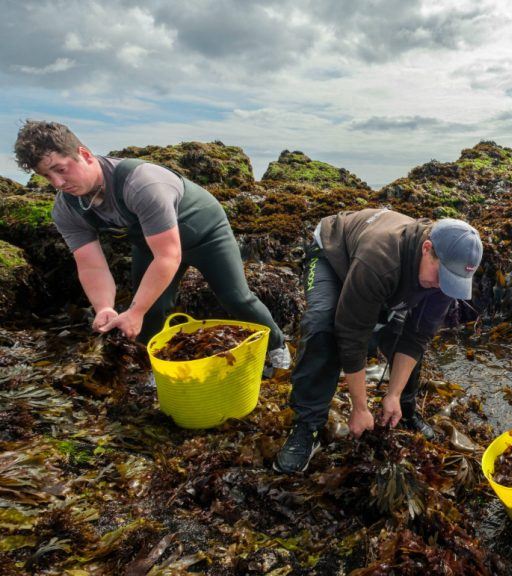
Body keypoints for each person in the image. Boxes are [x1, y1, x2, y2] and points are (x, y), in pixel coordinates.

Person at [13, 120, 290, 372]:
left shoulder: (142, 183)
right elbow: (91, 264)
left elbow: (168, 255)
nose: (58, 183)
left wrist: (134, 312)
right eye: (47, 177)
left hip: (206, 235)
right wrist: (104, 307)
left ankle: (277, 345)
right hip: (151, 244)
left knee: (236, 298)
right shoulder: (66, 209)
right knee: (152, 309)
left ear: (84, 155)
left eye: (61, 170)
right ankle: (151, 369)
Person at [274, 207, 482, 474]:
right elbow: (351, 334)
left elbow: (416, 336)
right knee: (322, 327)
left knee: (399, 336)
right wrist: (359, 407)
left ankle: (404, 409)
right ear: (427, 249)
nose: (444, 286)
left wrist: (393, 394)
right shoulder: (382, 258)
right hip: (334, 255)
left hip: (379, 276)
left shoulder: (446, 275)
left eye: (453, 282)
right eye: (442, 277)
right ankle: (306, 426)